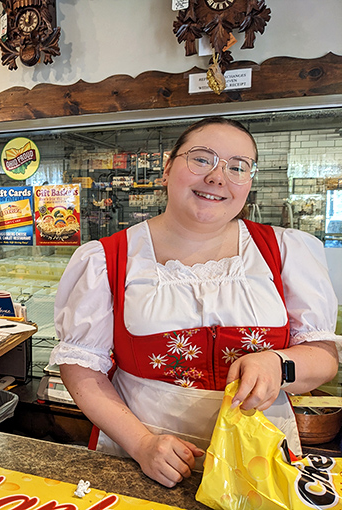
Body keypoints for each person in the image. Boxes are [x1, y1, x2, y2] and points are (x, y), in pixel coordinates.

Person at [50, 117, 341, 488]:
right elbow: (81, 368)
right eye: (202, 159)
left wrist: (278, 362)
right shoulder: (107, 258)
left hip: (259, 459)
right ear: (168, 168)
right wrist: (142, 444)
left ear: (248, 182)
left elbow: (323, 356)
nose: (218, 177)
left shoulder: (286, 250)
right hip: (144, 457)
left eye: (237, 167)